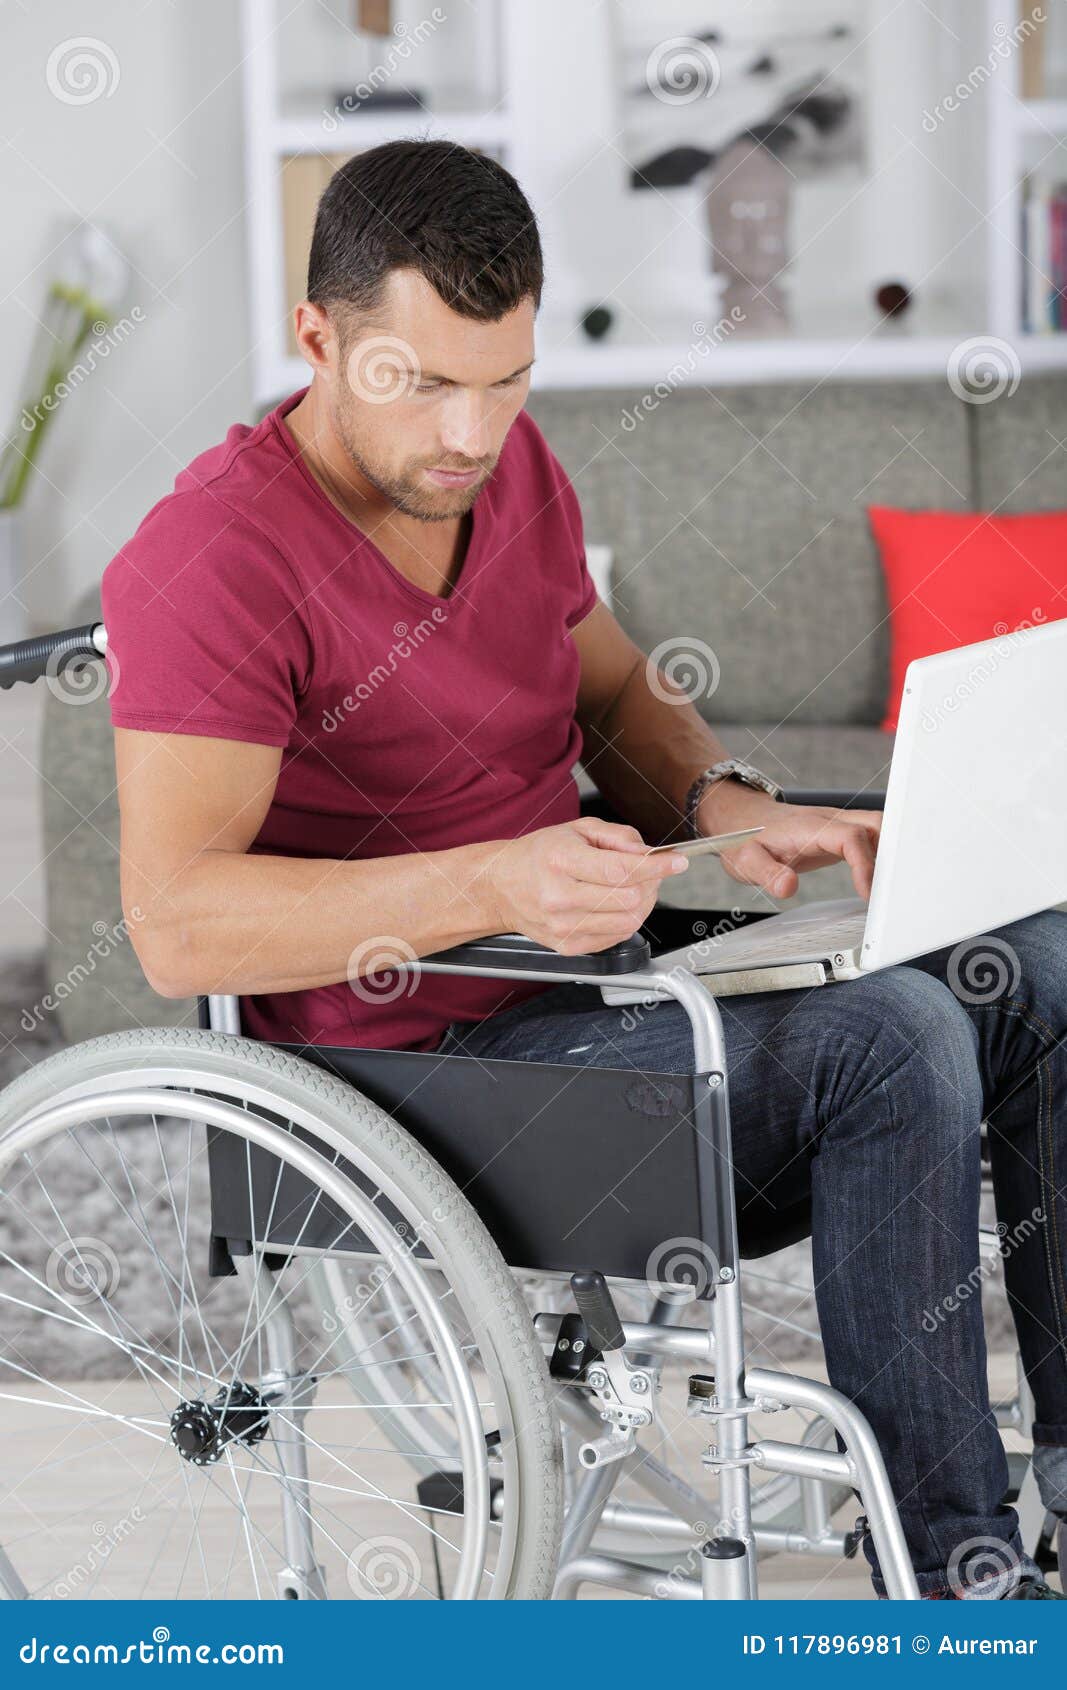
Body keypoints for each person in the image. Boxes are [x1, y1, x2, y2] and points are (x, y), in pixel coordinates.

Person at [102, 139, 1066, 1600]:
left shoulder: (505, 471)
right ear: (316, 339)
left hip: (595, 1000)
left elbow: (610, 694)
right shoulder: (214, 557)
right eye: (421, 382)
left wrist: (727, 802)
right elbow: (177, 925)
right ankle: (956, 1573)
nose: (470, 434)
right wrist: (498, 884)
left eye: (504, 381)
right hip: (422, 1078)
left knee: (1039, 963)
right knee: (896, 1038)